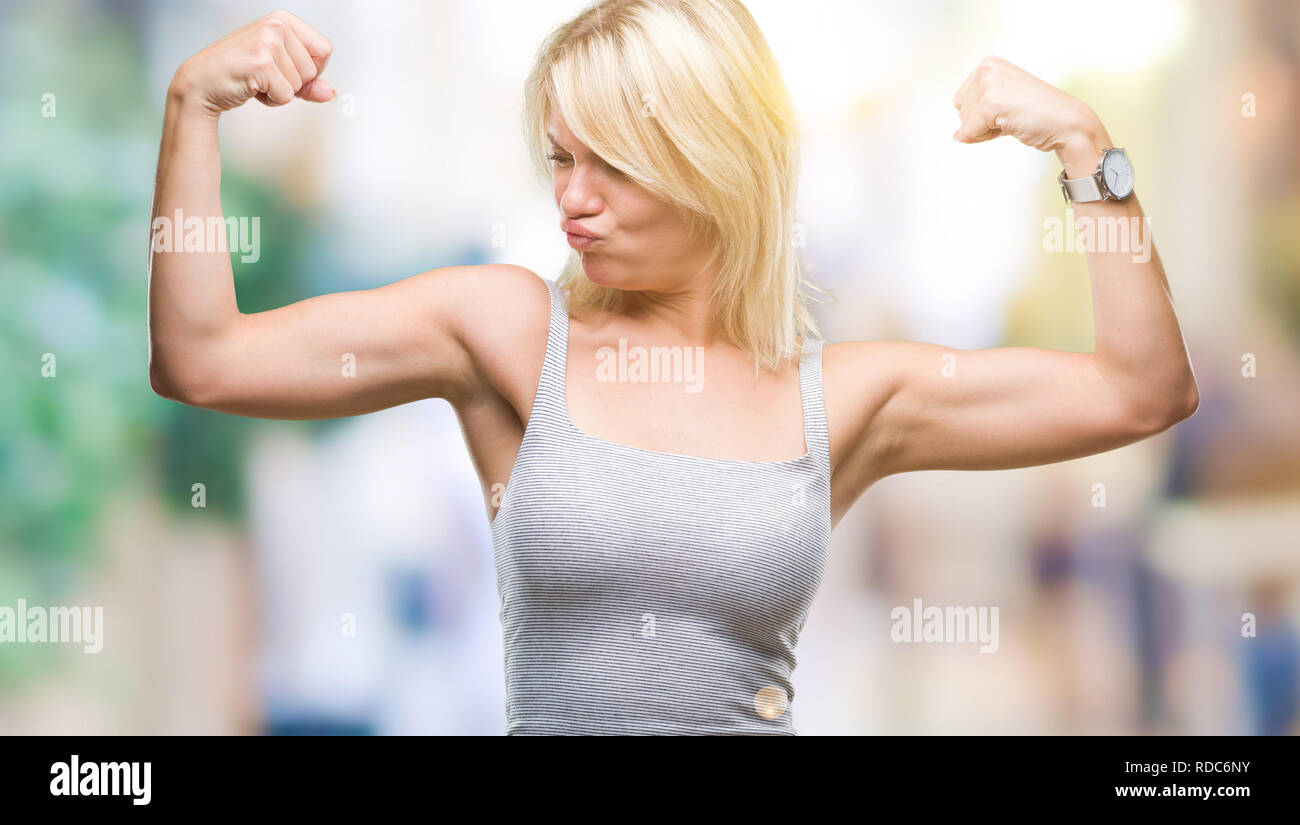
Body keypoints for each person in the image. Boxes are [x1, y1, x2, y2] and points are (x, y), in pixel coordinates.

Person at [148, 2, 1199, 734]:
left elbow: (1139, 390)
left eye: (612, 160)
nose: (572, 197)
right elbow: (204, 359)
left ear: (710, 156)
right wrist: (193, 107)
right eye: (562, 156)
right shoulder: (509, 331)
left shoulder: (838, 396)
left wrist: (1086, 153)